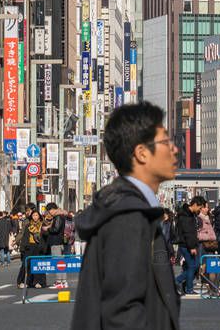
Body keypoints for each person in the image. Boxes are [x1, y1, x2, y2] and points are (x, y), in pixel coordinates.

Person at [72, 103, 180, 329]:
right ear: (141, 153)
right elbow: (122, 311)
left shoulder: (127, 208)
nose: (175, 149)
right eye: (165, 142)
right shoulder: (128, 216)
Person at [174, 196, 205, 295]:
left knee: (193, 266)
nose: (200, 210)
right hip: (186, 245)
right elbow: (188, 233)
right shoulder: (186, 216)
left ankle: (187, 286)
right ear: (195, 204)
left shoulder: (189, 214)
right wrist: (192, 247)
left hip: (188, 244)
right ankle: (180, 283)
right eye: (200, 207)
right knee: (193, 266)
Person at [18, 210, 46, 288]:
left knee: (38, 265)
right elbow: (24, 237)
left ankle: (38, 282)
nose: (35, 217)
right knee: (26, 264)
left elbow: (45, 236)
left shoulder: (43, 225)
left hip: (39, 247)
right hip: (29, 246)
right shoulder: (28, 225)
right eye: (33, 215)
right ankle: (24, 282)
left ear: (39, 216)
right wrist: (22, 248)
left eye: (36, 215)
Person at [43, 202, 67, 289]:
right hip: (59, 242)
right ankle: (63, 281)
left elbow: (56, 229)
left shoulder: (58, 217)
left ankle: (59, 282)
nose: (49, 213)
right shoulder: (61, 216)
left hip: (56, 242)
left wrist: (48, 228)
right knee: (61, 263)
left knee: (57, 262)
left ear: (52, 209)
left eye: (49, 211)